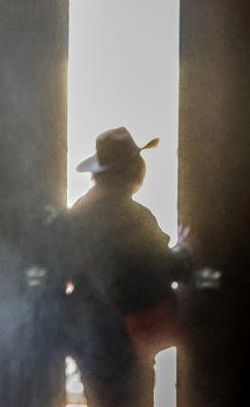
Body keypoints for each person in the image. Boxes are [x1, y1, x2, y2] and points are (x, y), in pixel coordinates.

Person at [57, 127, 189, 407]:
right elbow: (169, 267)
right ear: (134, 171)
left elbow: (63, 269)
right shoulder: (137, 217)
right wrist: (185, 251)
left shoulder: (77, 214)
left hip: (90, 340)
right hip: (131, 341)